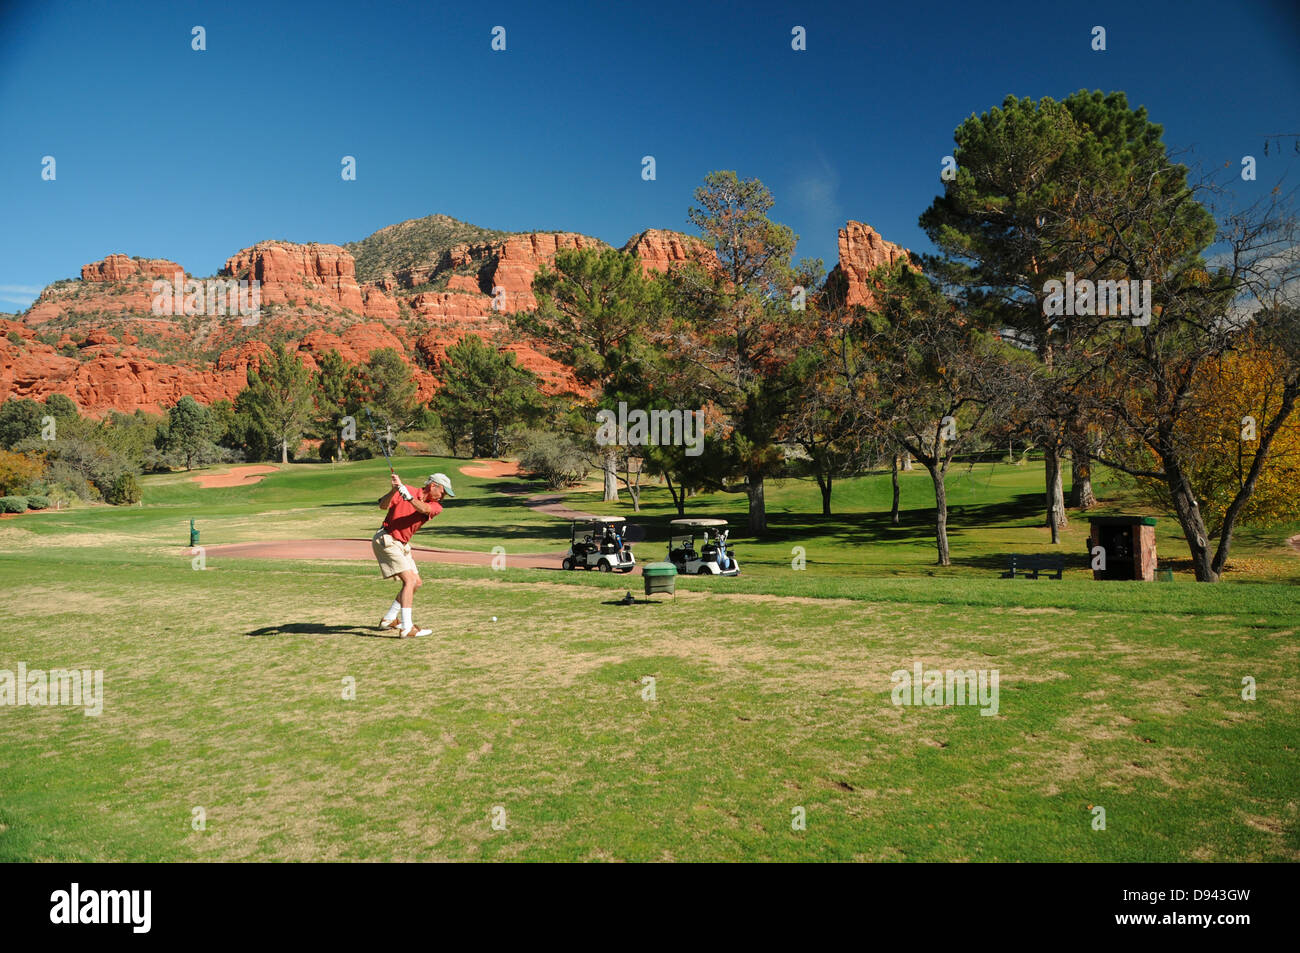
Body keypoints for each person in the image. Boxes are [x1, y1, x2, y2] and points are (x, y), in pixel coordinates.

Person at [372, 472, 455, 637]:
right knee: (409, 580)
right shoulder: (405, 490)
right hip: (387, 539)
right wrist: (394, 490)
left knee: (416, 582)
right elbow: (382, 505)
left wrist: (408, 497)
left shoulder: (436, 506)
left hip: (402, 545)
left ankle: (389, 619)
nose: (443, 497)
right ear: (433, 486)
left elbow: (423, 508)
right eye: (443, 492)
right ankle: (407, 628)